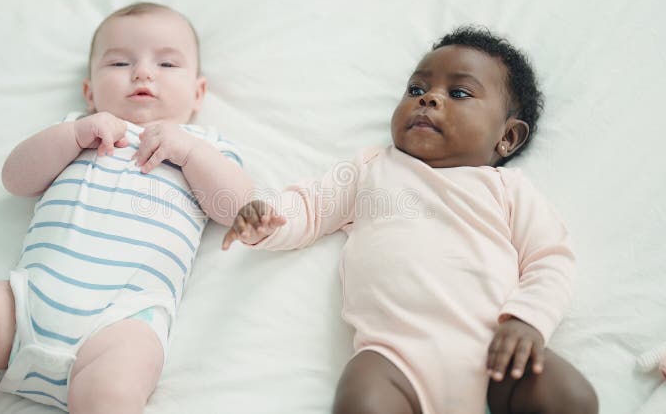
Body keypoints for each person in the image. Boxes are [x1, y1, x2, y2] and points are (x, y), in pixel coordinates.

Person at [222, 27, 598, 414]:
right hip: (393, 359)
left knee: (569, 397)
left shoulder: (507, 189)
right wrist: (267, 219)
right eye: (416, 90)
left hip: (495, 351)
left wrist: (527, 320)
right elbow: (311, 207)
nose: (430, 99)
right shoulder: (372, 169)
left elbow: (550, 259)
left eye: (459, 93)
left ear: (507, 137)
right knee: (361, 402)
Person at [0, 2, 253, 414]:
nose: (143, 72)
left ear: (198, 93)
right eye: (121, 61)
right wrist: (73, 134)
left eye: (166, 63)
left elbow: (238, 209)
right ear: (89, 91)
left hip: (121, 324)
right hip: (26, 303)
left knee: (110, 394)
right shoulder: (77, 131)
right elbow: (15, 179)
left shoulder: (207, 146)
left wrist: (191, 152)